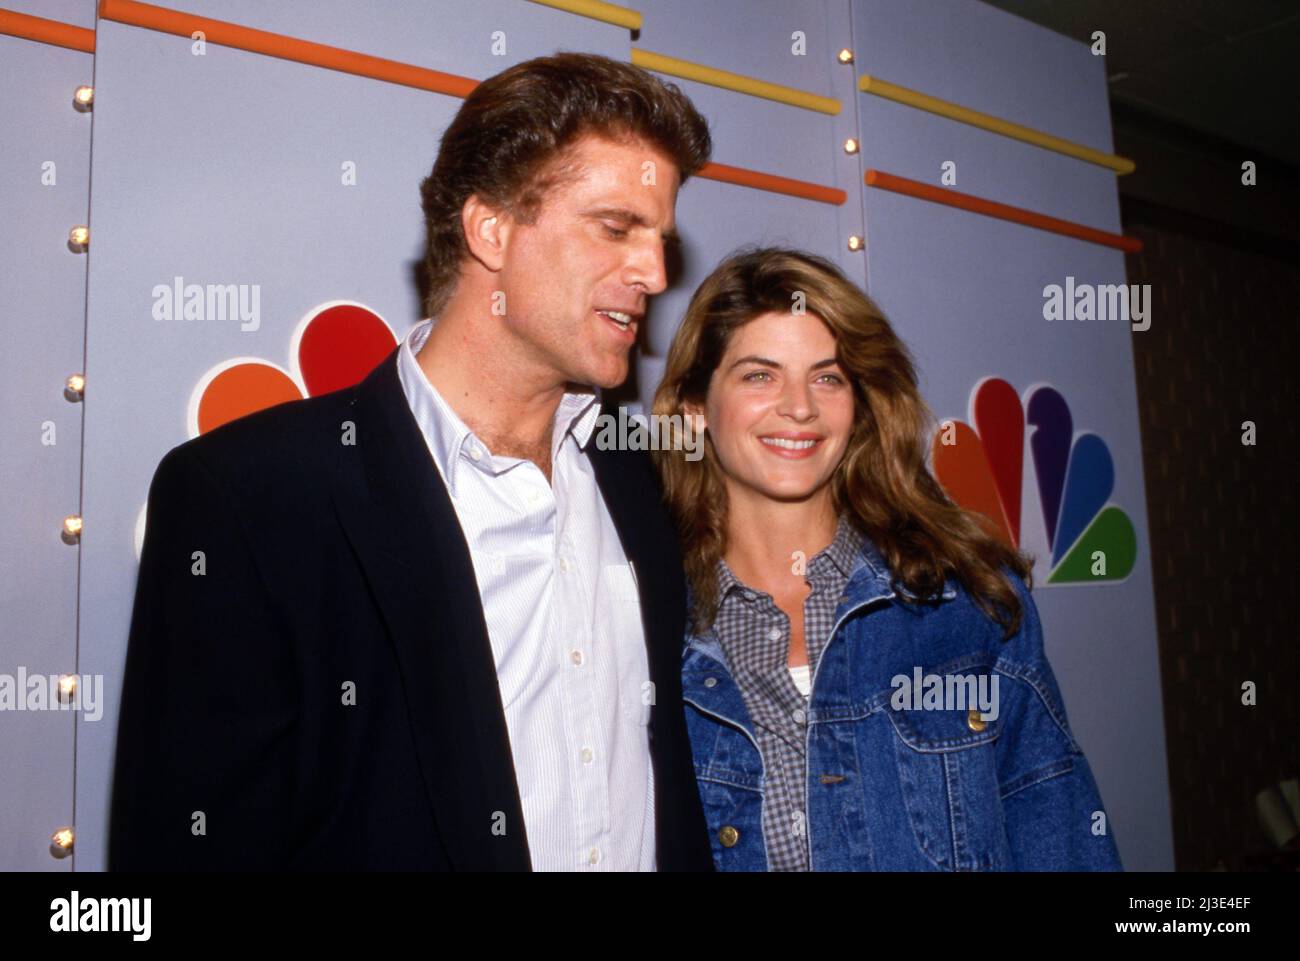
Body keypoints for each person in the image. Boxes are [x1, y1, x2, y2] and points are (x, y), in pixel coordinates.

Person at [109, 53, 715, 871]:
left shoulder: (636, 481)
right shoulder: (249, 498)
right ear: (490, 229)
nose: (653, 272)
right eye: (616, 227)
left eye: (660, 240)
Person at [651, 246, 1123, 871]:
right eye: (759, 375)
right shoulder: (655, 631)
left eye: (828, 377)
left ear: (860, 404)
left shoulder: (969, 607)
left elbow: (1060, 833)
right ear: (694, 411)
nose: (800, 406)